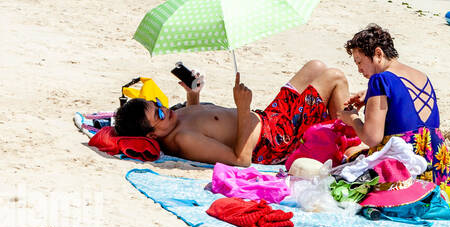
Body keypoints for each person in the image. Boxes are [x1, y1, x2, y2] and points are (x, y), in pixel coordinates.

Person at [112, 60, 350, 166]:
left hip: (268, 118)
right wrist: (244, 108)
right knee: (335, 77)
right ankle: (350, 142)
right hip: (273, 140)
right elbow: (241, 160)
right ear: (152, 136)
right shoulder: (184, 140)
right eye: (159, 115)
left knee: (316, 67)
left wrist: (193, 94)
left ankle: (326, 132)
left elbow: (197, 120)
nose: (165, 109)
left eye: (158, 104)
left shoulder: (173, 123)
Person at [342, 24, 450, 186]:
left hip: (405, 169)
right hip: (437, 168)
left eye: (359, 62)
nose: (359, 70)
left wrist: (352, 118)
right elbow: (404, 103)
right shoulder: (421, 76)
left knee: (349, 154)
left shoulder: (379, 80)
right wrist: (369, 96)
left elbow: (371, 138)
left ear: (378, 54)